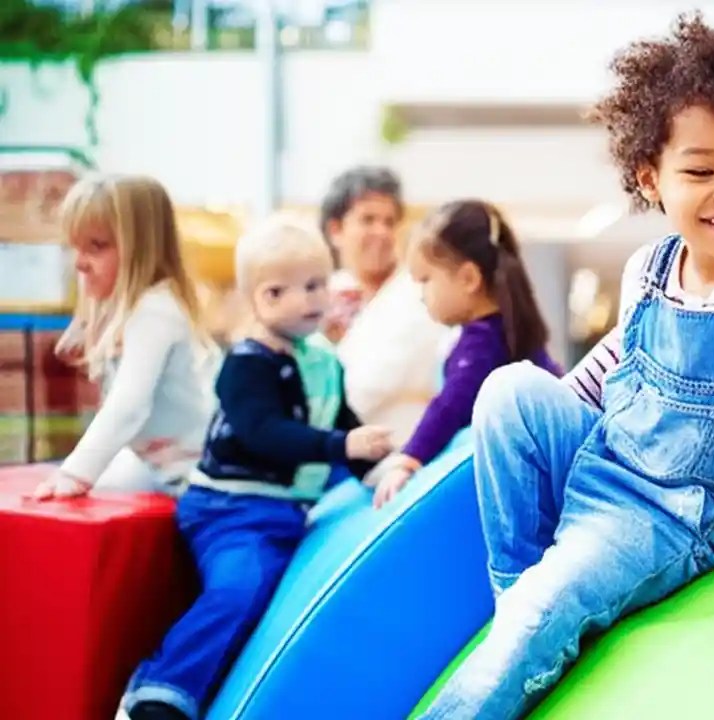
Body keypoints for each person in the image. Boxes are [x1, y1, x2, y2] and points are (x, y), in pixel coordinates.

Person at [418, 14, 714, 719]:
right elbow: (618, 362)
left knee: (546, 603)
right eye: (700, 171)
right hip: (603, 459)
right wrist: (552, 418)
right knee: (510, 386)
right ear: (650, 177)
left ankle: (531, 615)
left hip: (670, 514)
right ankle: (518, 594)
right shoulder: (650, 266)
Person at [123, 216, 393, 720]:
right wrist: (342, 444)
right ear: (258, 301)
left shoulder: (322, 359)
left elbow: (341, 420)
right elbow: (264, 432)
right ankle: (159, 690)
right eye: (283, 291)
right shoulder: (247, 363)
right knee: (238, 587)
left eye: (317, 285)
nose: (308, 300)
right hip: (231, 509)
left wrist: (381, 468)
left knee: (268, 598)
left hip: (285, 511)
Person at [31, 174, 219, 500]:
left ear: (142, 249)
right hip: (159, 462)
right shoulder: (129, 308)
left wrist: (76, 473)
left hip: (190, 472)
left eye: (97, 246)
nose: (79, 263)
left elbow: (129, 407)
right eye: (74, 247)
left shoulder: (155, 311)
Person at [370, 200, 562, 508]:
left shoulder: (483, 343)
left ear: (468, 278)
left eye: (425, 280)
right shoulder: (506, 332)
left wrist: (409, 458)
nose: (420, 295)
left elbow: (451, 404)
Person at [319, 166, 447, 445]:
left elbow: (364, 389)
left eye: (389, 222)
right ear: (336, 230)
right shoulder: (321, 295)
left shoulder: (419, 296)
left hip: (399, 460)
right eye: (368, 220)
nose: (381, 232)